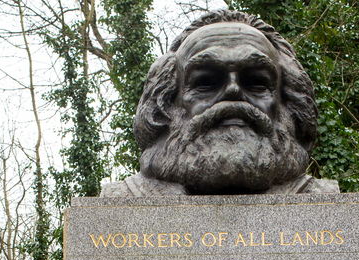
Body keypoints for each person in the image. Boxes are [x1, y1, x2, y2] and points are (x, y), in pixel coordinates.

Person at [101, 11, 339, 196]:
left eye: (256, 82)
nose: (233, 91)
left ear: (286, 100)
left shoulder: (323, 201)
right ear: (168, 102)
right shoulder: (121, 200)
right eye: (206, 82)